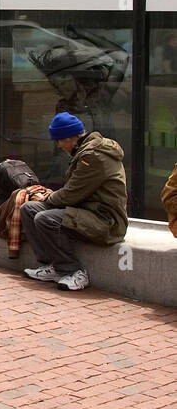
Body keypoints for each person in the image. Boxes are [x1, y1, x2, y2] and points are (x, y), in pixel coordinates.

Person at [20, 113, 128, 292]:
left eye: (59, 141)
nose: (58, 146)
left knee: (45, 219)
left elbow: (71, 194)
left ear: (71, 137)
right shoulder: (85, 151)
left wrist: (46, 198)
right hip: (86, 211)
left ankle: (74, 271)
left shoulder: (93, 157)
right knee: (28, 209)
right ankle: (53, 266)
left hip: (106, 221)